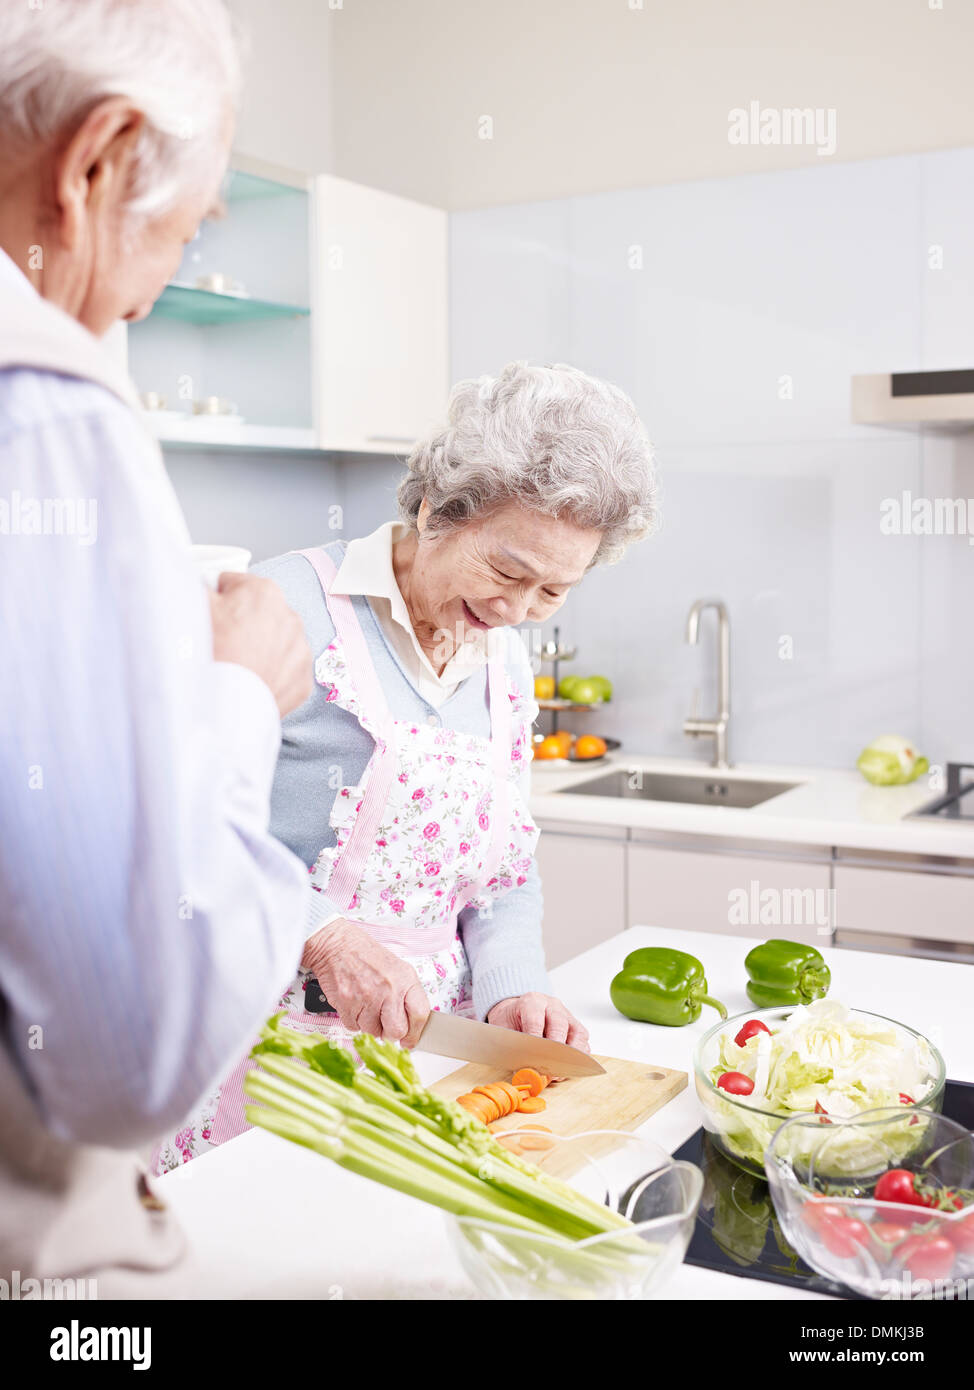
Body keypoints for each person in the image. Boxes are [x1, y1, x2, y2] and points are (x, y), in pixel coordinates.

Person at [154, 362, 659, 1168]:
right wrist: (322, 936)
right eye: (507, 571)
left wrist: (513, 988)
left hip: (432, 1063)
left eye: (553, 593)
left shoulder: (506, 663)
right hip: (263, 1058)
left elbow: (502, 874)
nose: (516, 612)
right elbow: (173, 829)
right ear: (435, 510)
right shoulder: (276, 609)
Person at [0, 0, 312, 1293]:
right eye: (180, 234)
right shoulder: (50, 414)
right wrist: (240, 695)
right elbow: (129, 1053)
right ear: (96, 161)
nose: (152, 288)